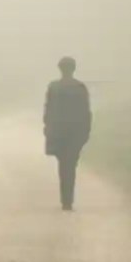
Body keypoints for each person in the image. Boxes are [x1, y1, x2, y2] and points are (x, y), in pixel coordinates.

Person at [43, 56, 92, 211]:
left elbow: (48, 110)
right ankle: (68, 200)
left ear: (60, 68)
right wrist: (86, 131)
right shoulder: (80, 87)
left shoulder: (54, 87)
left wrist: (48, 129)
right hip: (75, 132)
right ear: (73, 68)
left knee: (63, 165)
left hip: (58, 132)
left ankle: (66, 200)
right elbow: (86, 112)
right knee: (70, 165)